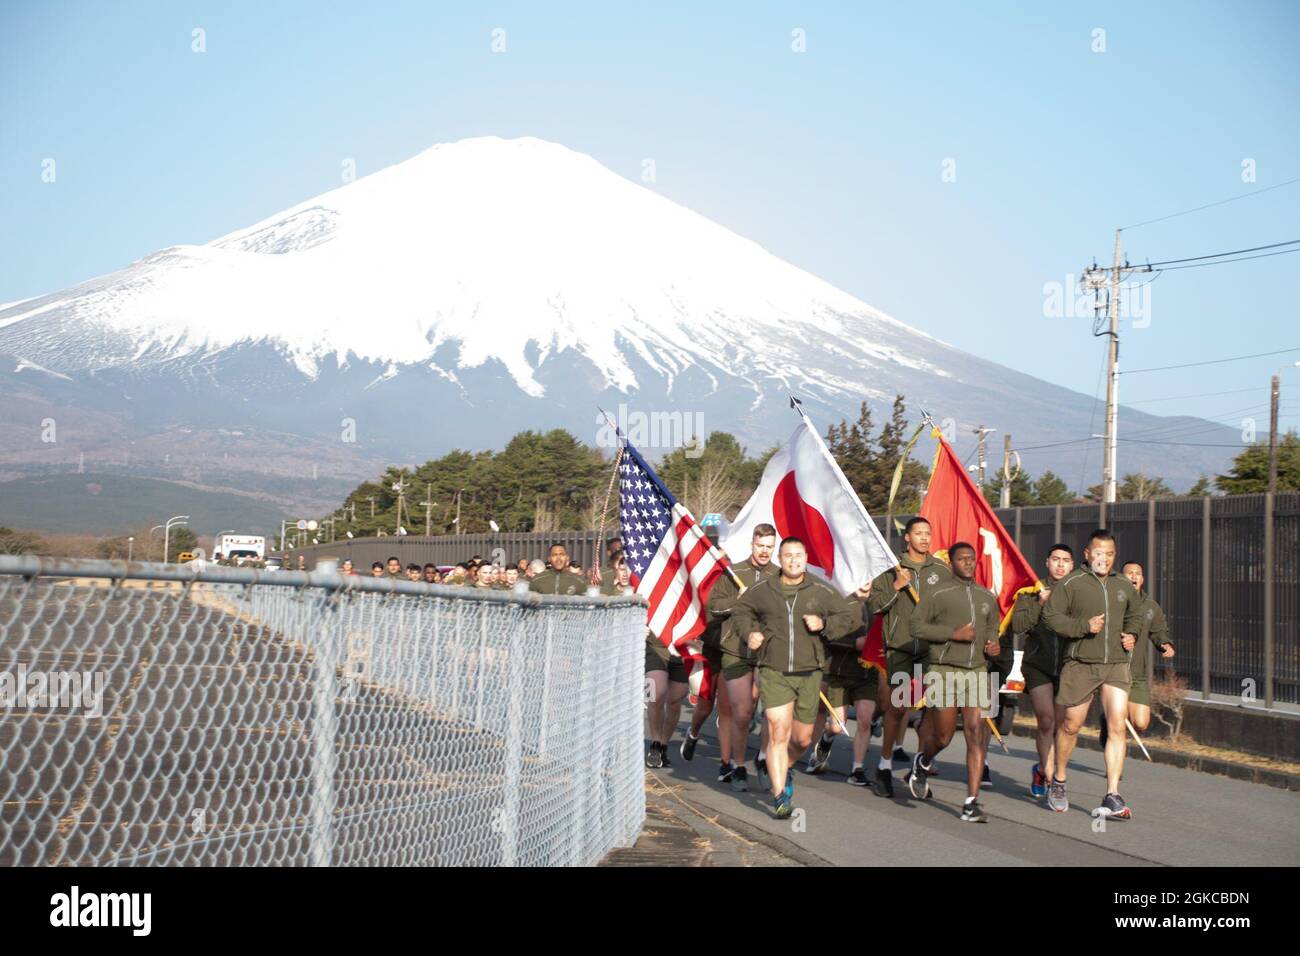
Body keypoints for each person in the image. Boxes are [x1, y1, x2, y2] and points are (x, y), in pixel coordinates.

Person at [732, 537, 853, 818]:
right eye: (788, 556)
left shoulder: (821, 590)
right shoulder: (763, 590)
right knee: (778, 730)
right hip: (773, 671)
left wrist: (825, 624)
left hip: (810, 673)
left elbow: (847, 617)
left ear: (805, 557)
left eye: (798, 556)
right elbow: (741, 612)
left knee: (801, 739)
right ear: (780, 558)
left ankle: (783, 768)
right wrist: (748, 632)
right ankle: (779, 797)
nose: (793, 561)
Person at [1042, 529, 1145, 819]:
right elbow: (1051, 617)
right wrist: (1082, 627)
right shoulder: (1072, 583)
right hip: (1080, 664)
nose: (1105, 559)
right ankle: (1059, 780)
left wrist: (1131, 634)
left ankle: (1112, 794)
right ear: (1088, 554)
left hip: (1115, 664)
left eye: (1110, 554)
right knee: (1071, 726)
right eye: (1099, 553)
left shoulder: (1123, 584)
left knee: (1117, 726)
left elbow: (1135, 614)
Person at [903, 542, 1001, 822]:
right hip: (943, 670)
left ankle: (971, 802)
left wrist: (993, 643)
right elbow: (916, 626)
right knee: (944, 737)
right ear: (952, 563)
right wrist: (952, 634)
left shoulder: (985, 596)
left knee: (975, 732)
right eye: (962, 559)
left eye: (972, 559)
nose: (968, 563)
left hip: (977, 672)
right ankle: (922, 762)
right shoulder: (938, 593)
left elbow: (992, 626)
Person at [860, 516, 953, 797]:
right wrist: (896, 586)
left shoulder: (941, 570)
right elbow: (876, 605)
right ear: (907, 538)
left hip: (932, 651)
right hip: (900, 649)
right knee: (898, 709)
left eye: (928, 533)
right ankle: (884, 766)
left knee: (933, 712)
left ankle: (921, 767)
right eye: (919, 533)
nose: (924, 538)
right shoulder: (891, 569)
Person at [707, 524, 779, 789]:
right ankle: (737, 766)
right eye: (760, 545)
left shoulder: (779, 575)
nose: (764, 551)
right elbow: (713, 607)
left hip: (768, 653)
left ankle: (761, 757)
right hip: (735, 651)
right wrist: (737, 600)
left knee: (771, 712)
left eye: (769, 547)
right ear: (752, 544)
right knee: (742, 712)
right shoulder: (734, 572)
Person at [1011, 543, 1074, 799]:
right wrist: (1039, 602)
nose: (1060, 564)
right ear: (1047, 562)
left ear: (1072, 565)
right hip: (1038, 665)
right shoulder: (1030, 592)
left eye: (1065, 560)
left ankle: (1044, 769)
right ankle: (1049, 774)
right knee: (1046, 720)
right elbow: (1018, 625)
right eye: (1055, 559)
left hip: (1069, 668)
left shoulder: (1078, 592)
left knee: (1062, 726)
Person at [807, 592, 878, 785]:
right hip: (840, 674)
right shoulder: (840, 603)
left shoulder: (879, 605)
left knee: (865, 721)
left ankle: (857, 769)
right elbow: (826, 638)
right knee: (837, 726)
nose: (866, 583)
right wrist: (853, 644)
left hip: (867, 676)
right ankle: (826, 739)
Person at [1114, 561, 1174, 743]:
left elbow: (1158, 630)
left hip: (1137, 673)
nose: (1133, 576)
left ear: (1142, 579)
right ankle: (1111, 730)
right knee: (1116, 723)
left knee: (1141, 723)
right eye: (1129, 573)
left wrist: (1164, 644)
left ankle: (1108, 722)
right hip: (1113, 672)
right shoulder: (1112, 601)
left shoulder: (1150, 606)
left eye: (1137, 573)